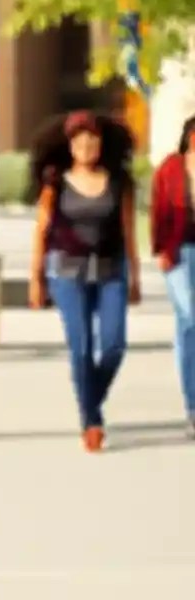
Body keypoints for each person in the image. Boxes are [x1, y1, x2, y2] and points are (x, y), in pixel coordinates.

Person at [28, 110, 140, 453]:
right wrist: (36, 279)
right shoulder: (55, 182)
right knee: (80, 348)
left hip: (111, 272)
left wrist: (134, 275)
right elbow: (42, 231)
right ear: (70, 145)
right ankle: (91, 419)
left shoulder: (119, 181)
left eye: (92, 138)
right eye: (79, 139)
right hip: (66, 273)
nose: (87, 144)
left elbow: (128, 231)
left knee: (113, 345)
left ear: (101, 143)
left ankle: (91, 398)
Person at [148, 114, 195, 439]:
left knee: (186, 327)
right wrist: (161, 248)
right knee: (191, 318)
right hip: (179, 252)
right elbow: (159, 209)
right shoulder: (172, 167)